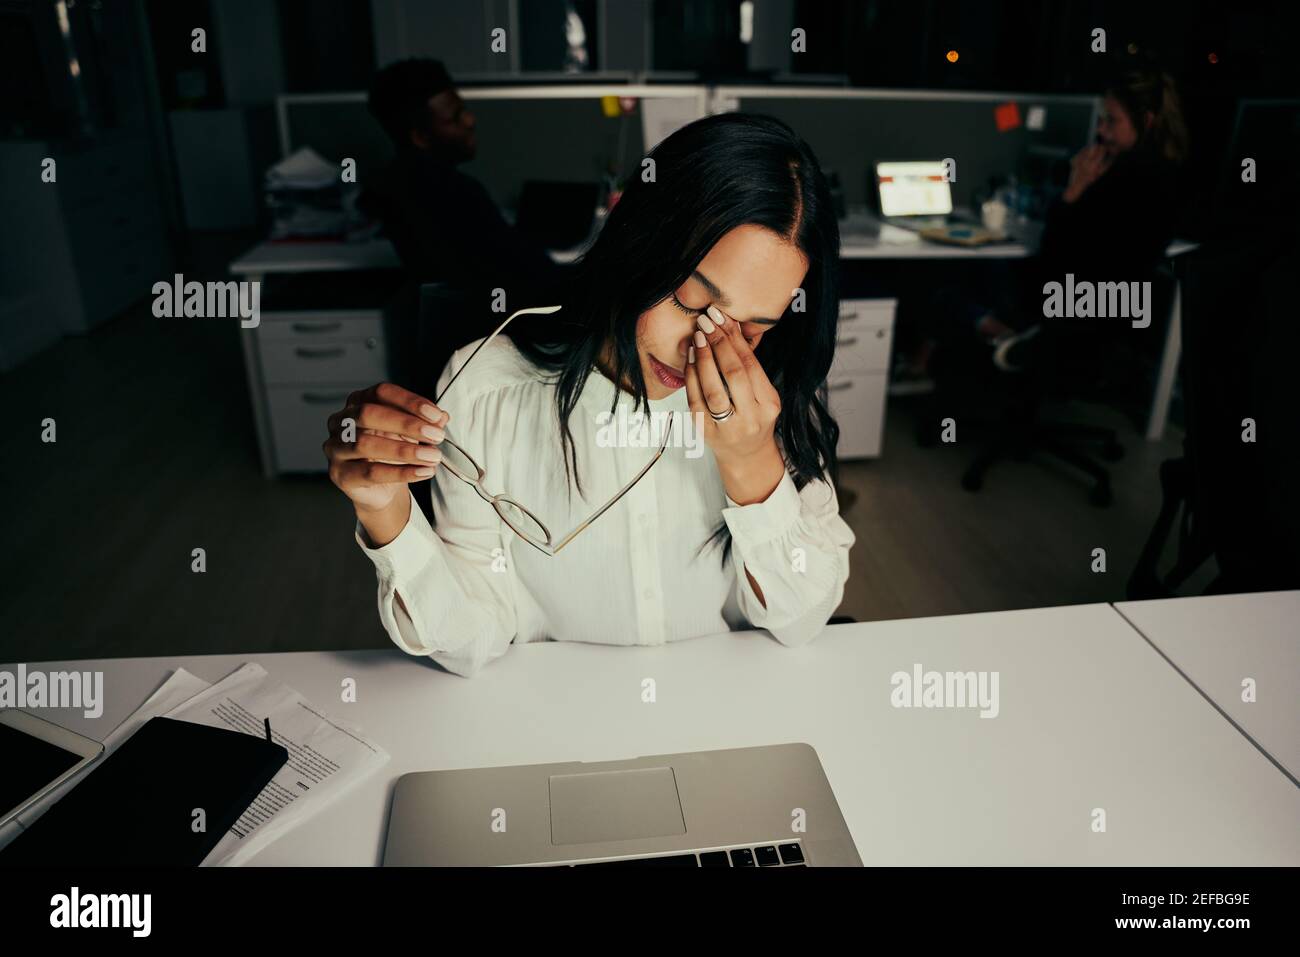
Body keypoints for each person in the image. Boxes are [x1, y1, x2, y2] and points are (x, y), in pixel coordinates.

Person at [323, 113, 855, 677]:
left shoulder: (768, 390)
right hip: (555, 719)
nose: (705, 349)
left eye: (752, 327)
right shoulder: (488, 385)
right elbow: (470, 642)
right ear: (638, 239)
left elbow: (800, 622)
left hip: (721, 705)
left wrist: (751, 464)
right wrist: (387, 514)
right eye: (690, 302)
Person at [902, 66, 1189, 382]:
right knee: (968, 270)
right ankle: (1006, 342)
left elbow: (1057, 253)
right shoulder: (1167, 176)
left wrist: (1075, 188)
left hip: (1061, 302)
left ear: (1146, 122)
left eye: (1112, 120)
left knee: (945, 273)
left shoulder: (1122, 178)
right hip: (1108, 312)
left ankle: (1000, 335)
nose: (1102, 131)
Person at [364, 59, 568, 384]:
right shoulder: (456, 192)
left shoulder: (396, 183)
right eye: (455, 117)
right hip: (490, 352)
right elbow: (534, 276)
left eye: (464, 110)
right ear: (420, 136)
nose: (470, 120)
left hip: (446, 350)